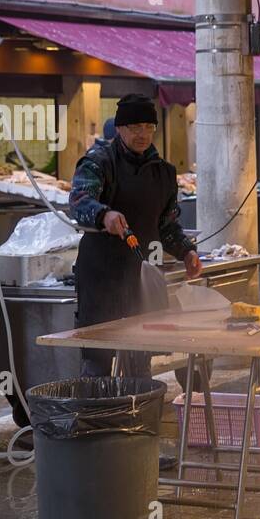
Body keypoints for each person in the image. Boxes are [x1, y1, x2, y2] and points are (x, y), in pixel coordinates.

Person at [69, 93, 202, 378]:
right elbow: (79, 200)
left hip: (140, 275)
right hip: (100, 277)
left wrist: (187, 251)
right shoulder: (98, 162)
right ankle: (98, 417)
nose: (142, 134)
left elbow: (166, 226)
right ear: (119, 129)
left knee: (140, 352)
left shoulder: (164, 173)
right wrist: (104, 214)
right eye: (134, 128)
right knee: (98, 355)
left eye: (148, 127)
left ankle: (137, 414)